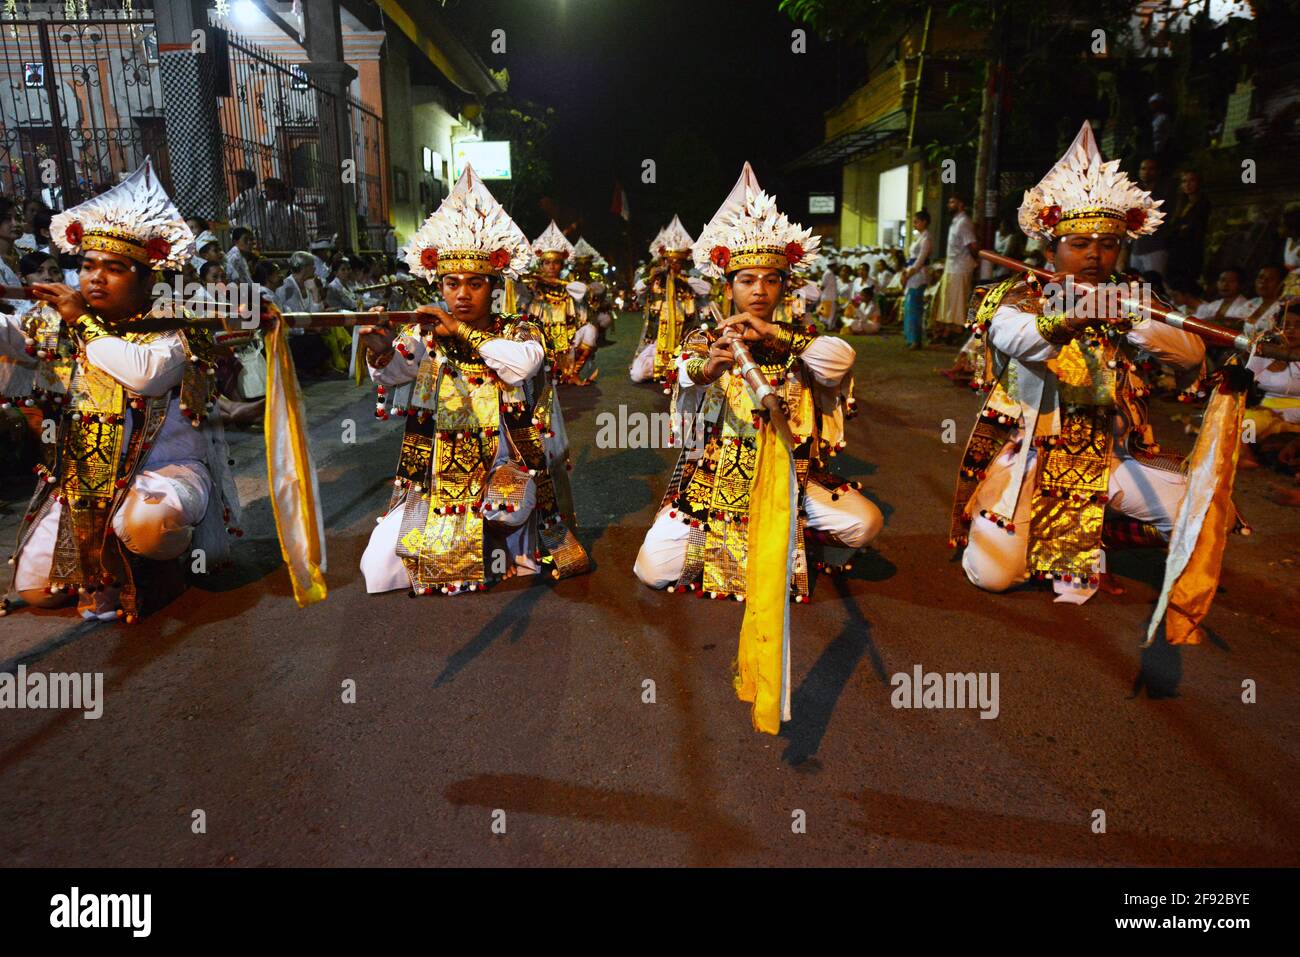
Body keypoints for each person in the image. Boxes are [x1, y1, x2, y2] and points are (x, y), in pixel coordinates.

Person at [950, 121, 1204, 604]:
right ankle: (1019, 532)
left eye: (1107, 244)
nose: (1094, 255)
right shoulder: (1018, 296)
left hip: (1112, 456)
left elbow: (1191, 354)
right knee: (995, 576)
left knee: (1206, 507)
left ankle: (1095, 531)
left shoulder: (1132, 297)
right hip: (1031, 457)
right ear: (1052, 249)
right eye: (1080, 244)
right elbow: (1018, 339)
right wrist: (1072, 316)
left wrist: (1132, 319)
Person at [1, 159, 243, 622]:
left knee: (148, 526)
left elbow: (143, 375)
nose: (94, 277)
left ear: (147, 279)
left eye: (114, 268)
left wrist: (81, 321)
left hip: (167, 472)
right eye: (88, 265)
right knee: (37, 593)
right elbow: (9, 333)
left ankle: (156, 563)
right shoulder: (59, 321)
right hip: (86, 481)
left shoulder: (174, 325)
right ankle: (111, 563)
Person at [634, 162, 883, 599]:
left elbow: (840, 361)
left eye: (771, 280)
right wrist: (711, 367)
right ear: (728, 287)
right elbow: (684, 371)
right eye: (747, 280)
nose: (760, 290)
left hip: (793, 479)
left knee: (865, 523)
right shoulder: (708, 337)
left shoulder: (800, 341)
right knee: (652, 570)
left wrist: (770, 332)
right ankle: (755, 543)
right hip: (717, 481)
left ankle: (796, 536)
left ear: (785, 288)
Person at [357, 165, 589, 596]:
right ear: (439, 285)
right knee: (378, 571)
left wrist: (459, 331)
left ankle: (502, 538)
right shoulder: (424, 332)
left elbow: (520, 365)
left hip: (506, 468)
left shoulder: (520, 328)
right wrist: (379, 351)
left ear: (493, 286)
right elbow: (396, 372)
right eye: (451, 283)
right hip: (441, 473)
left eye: (475, 283)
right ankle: (473, 545)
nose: (462, 294)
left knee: (505, 510)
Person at [629, 217, 709, 387]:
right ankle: (666, 371)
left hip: (684, 342)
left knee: (694, 375)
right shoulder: (655, 283)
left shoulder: (688, 283)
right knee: (637, 374)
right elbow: (638, 289)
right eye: (670, 261)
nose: (673, 265)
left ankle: (675, 371)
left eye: (677, 262)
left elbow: (706, 289)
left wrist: (681, 278)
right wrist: (652, 277)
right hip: (658, 341)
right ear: (663, 261)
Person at [518, 221, 587, 382]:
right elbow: (519, 293)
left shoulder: (568, 284)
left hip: (566, 332)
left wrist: (558, 283)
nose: (551, 267)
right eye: (547, 263)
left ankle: (572, 372)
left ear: (561, 265)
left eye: (556, 263)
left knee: (589, 332)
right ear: (540, 264)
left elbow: (582, 291)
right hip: (540, 332)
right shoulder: (533, 282)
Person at [929, 194, 979, 345]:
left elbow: (972, 245)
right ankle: (947, 332)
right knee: (948, 302)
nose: (949, 205)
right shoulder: (955, 222)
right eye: (949, 202)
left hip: (961, 267)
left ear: (961, 204)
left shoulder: (964, 222)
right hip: (952, 267)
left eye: (953, 202)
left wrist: (975, 261)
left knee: (957, 302)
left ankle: (956, 332)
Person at [1126, 157, 1174, 279]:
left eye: (1151, 169)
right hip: (1136, 248)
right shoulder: (1135, 192)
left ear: (1158, 171)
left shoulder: (1166, 192)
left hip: (1155, 248)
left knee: (1153, 286)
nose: (1146, 172)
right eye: (1143, 169)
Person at [1167, 168, 1211, 290]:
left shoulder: (1203, 204)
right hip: (1176, 251)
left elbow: (1194, 227)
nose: (1188, 185)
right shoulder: (1180, 205)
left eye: (1192, 181)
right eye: (1184, 181)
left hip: (1191, 251)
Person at [899, 209, 932, 349]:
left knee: (914, 309)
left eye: (916, 222)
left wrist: (908, 273)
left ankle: (916, 340)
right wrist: (905, 272)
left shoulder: (926, 239)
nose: (914, 225)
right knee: (909, 307)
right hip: (911, 273)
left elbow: (920, 261)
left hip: (918, 275)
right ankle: (910, 337)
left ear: (924, 222)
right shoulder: (919, 237)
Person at [1241, 263, 1285, 338]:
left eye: (1270, 279)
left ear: (1281, 284)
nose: (1263, 281)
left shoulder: (1283, 308)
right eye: (1260, 277)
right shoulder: (1250, 303)